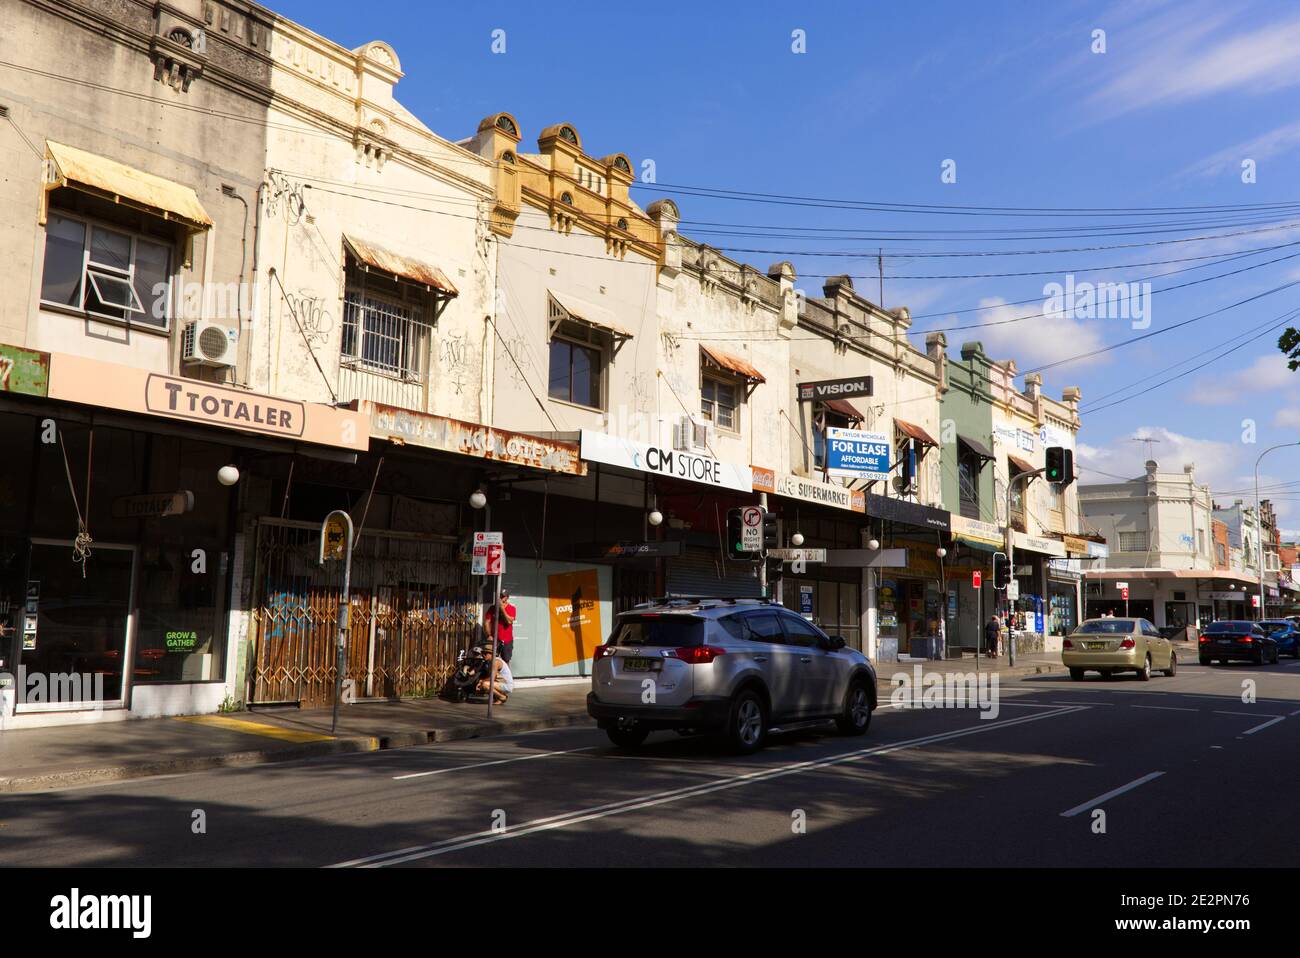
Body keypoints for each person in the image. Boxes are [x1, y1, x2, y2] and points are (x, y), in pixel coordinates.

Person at [483, 589, 517, 663]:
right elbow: (487, 622)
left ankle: (505, 674)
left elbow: (509, 621)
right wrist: (489, 635)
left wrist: (501, 608)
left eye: (502, 596)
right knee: (490, 660)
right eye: (500, 596)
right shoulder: (492, 608)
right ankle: (493, 674)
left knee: (506, 660)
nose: (500, 598)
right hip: (495, 640)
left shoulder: (512, 608)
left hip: (507, 640)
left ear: (507, 598)